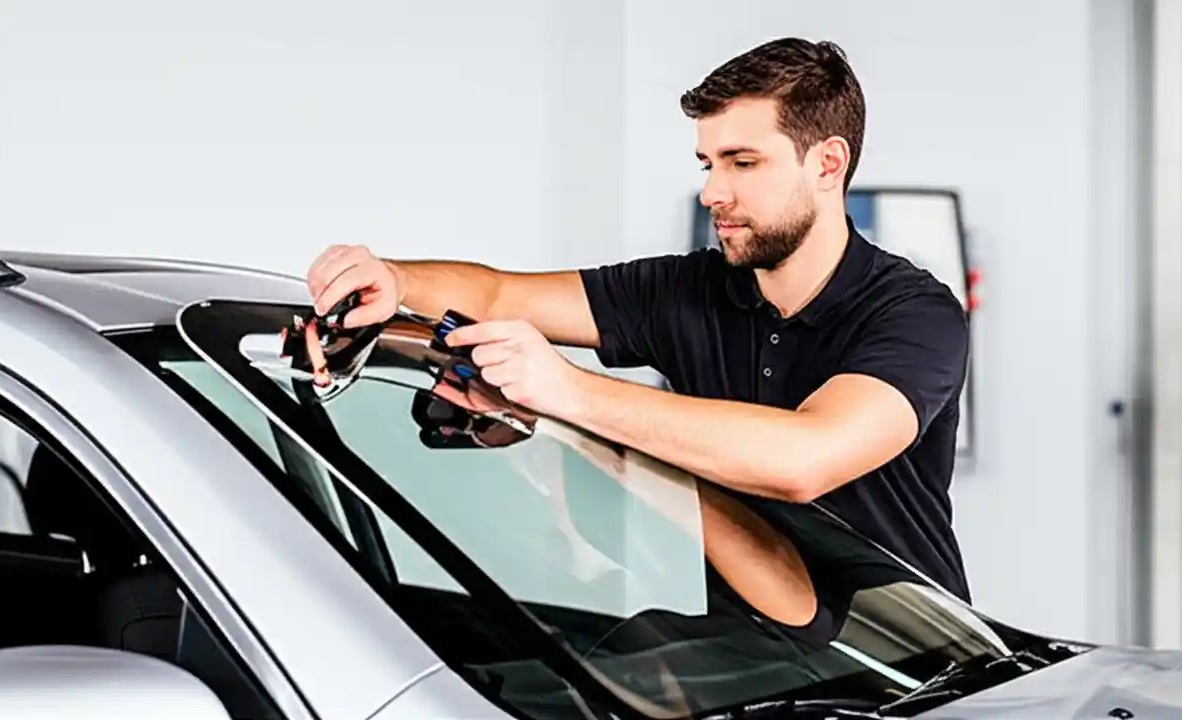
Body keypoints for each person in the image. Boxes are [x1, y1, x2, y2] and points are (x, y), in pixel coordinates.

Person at [305, 36, 972, 603]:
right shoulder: (688, 288)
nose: (713, 191)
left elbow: (803, 458)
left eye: (743, 163)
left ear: (827, 163)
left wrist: (568, 391)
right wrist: (396, 278)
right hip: (760, 661)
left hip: (914, 671)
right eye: (708, 164)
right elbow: (502, 294)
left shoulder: (915, 313)